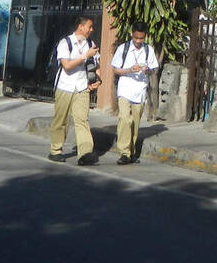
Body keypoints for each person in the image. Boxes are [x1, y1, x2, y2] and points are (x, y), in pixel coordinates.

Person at [48, 16, 99, 166]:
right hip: (65, 86)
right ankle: (56, 150)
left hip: (82, 87)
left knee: (82, 120)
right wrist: (85, 56)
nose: (91, 30)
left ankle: (85, 153)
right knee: (61, 120)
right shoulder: (65, 43)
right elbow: (67, 65)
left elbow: (96, 64)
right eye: (89, 27)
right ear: (81, 27)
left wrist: (97, 80)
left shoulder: (90, 44)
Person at [109, 22, 159, 165]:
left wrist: (147, 70)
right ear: (132, 34)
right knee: (125, 119)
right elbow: (115, 69)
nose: (138, 41)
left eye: (141, 39)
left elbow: (154, 69)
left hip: (140, 91)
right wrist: (129, 70)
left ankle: (131, 151)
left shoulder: (148, 50)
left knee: (135, 123)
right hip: (125, 90)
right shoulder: (123, 49)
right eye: (136, 38)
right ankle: (124, 152)